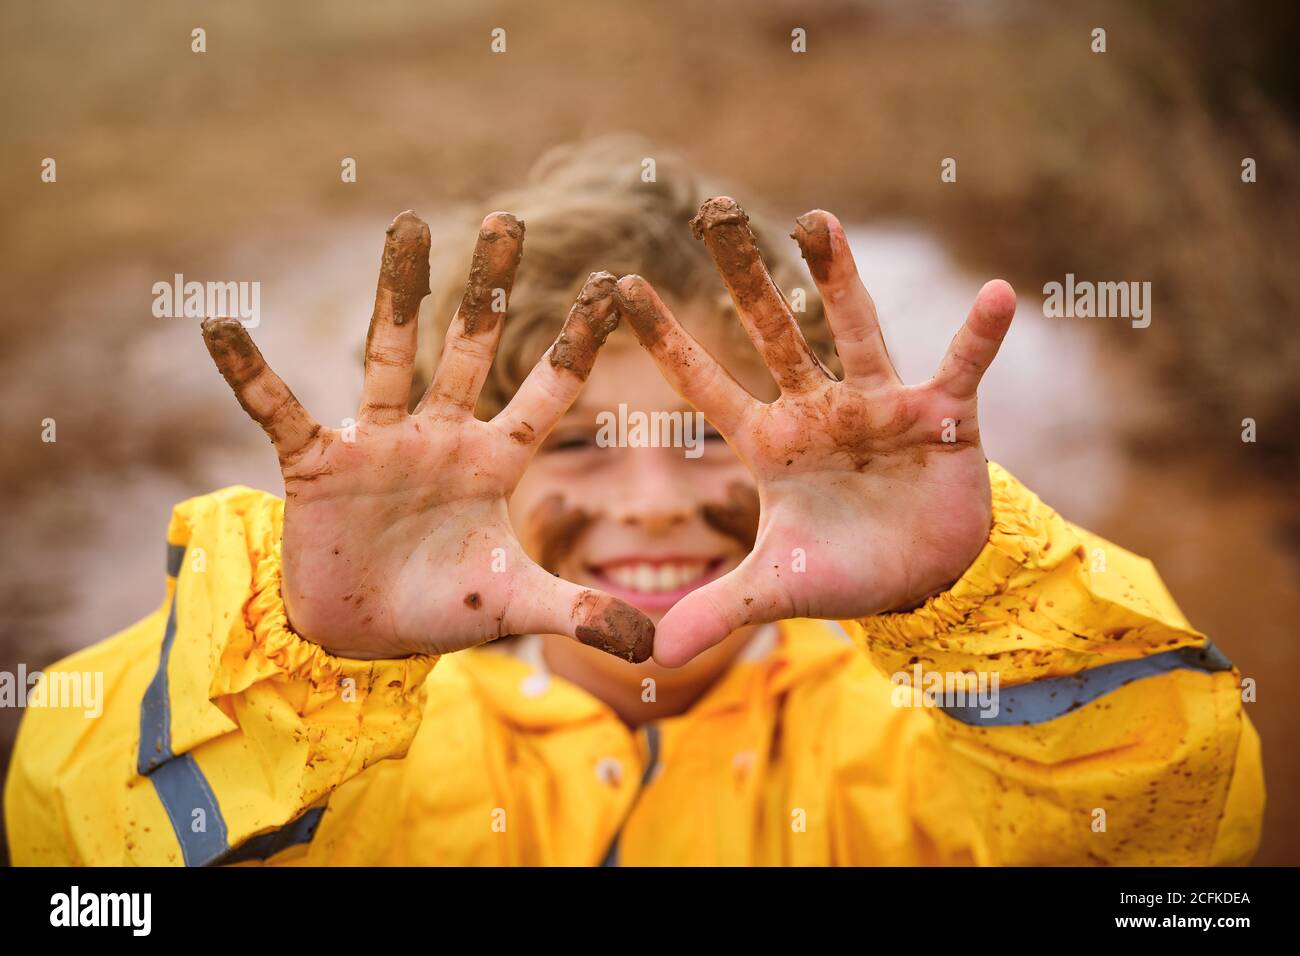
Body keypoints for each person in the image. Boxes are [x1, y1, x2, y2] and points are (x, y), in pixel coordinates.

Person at [5, 139, 1263, 865]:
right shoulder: (372, 764)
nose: (655, 504)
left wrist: (974, 603)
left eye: (709, 438)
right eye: (586, 443)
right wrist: (306, 659)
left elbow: (1177, 846)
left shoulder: (920, 735)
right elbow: (80, 855)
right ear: (472, 468)